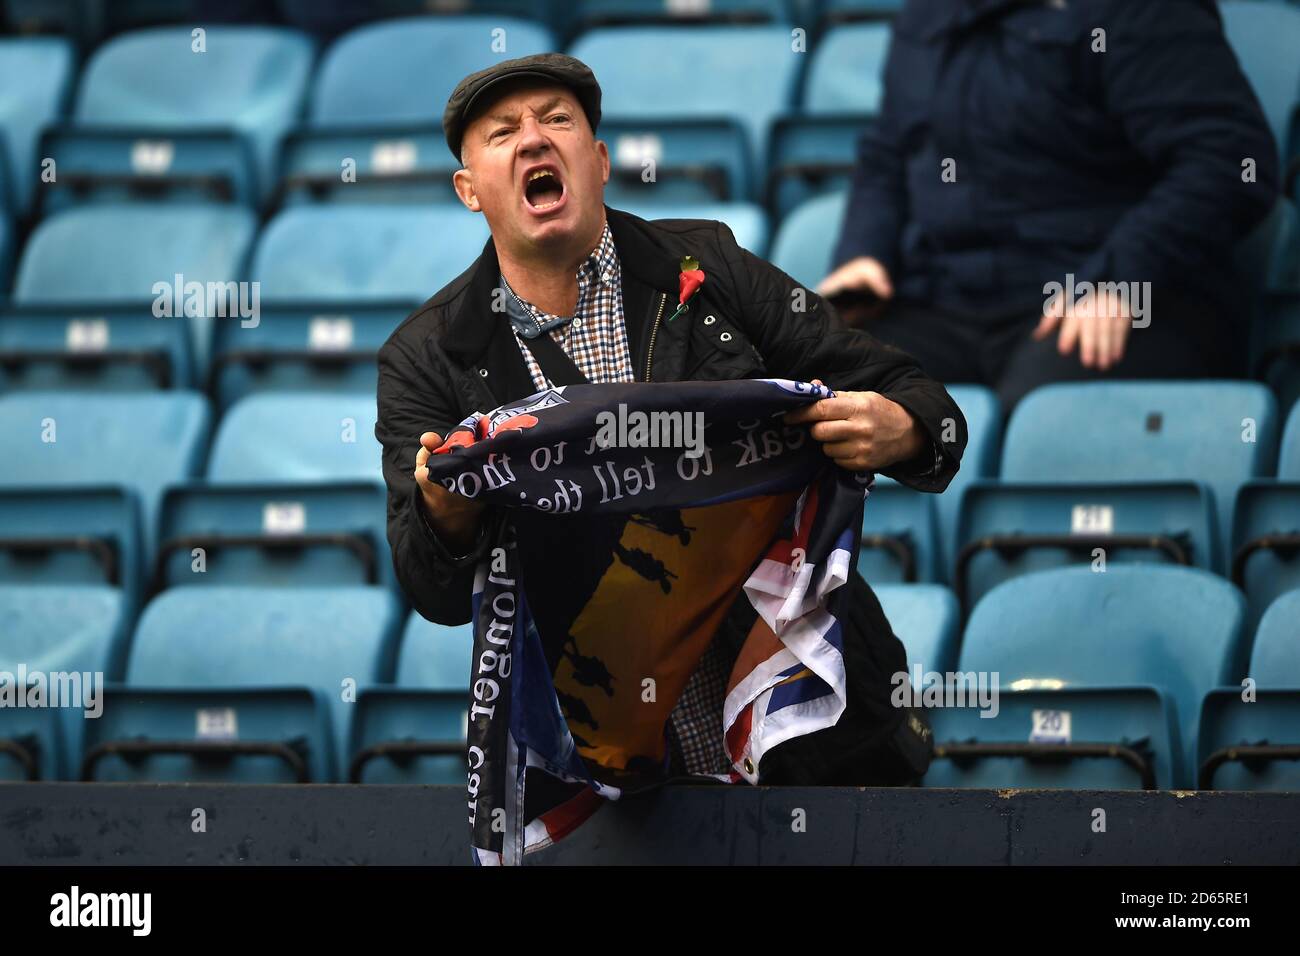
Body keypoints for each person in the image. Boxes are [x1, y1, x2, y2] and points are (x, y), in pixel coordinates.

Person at [375, 53, 967, 786]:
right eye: (502, 133)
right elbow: (431, 589)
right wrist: (446, 515)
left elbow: (914, 396)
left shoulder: (710, 264)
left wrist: (902, 429)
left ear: (597, 161)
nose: (533, 139)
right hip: (615, 778)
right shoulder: (426, 356)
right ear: (470, 191)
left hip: (810, 737)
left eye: (557, 120)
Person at [819, 0, 1280, 410]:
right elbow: (887, 153)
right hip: (948, 298)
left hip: (1113, 292)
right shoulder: (930, 14)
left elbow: (1231, 163)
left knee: (1044, 417)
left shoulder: (1140, 12)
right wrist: (865, 252)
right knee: (818, 392)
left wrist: (1120, 277)